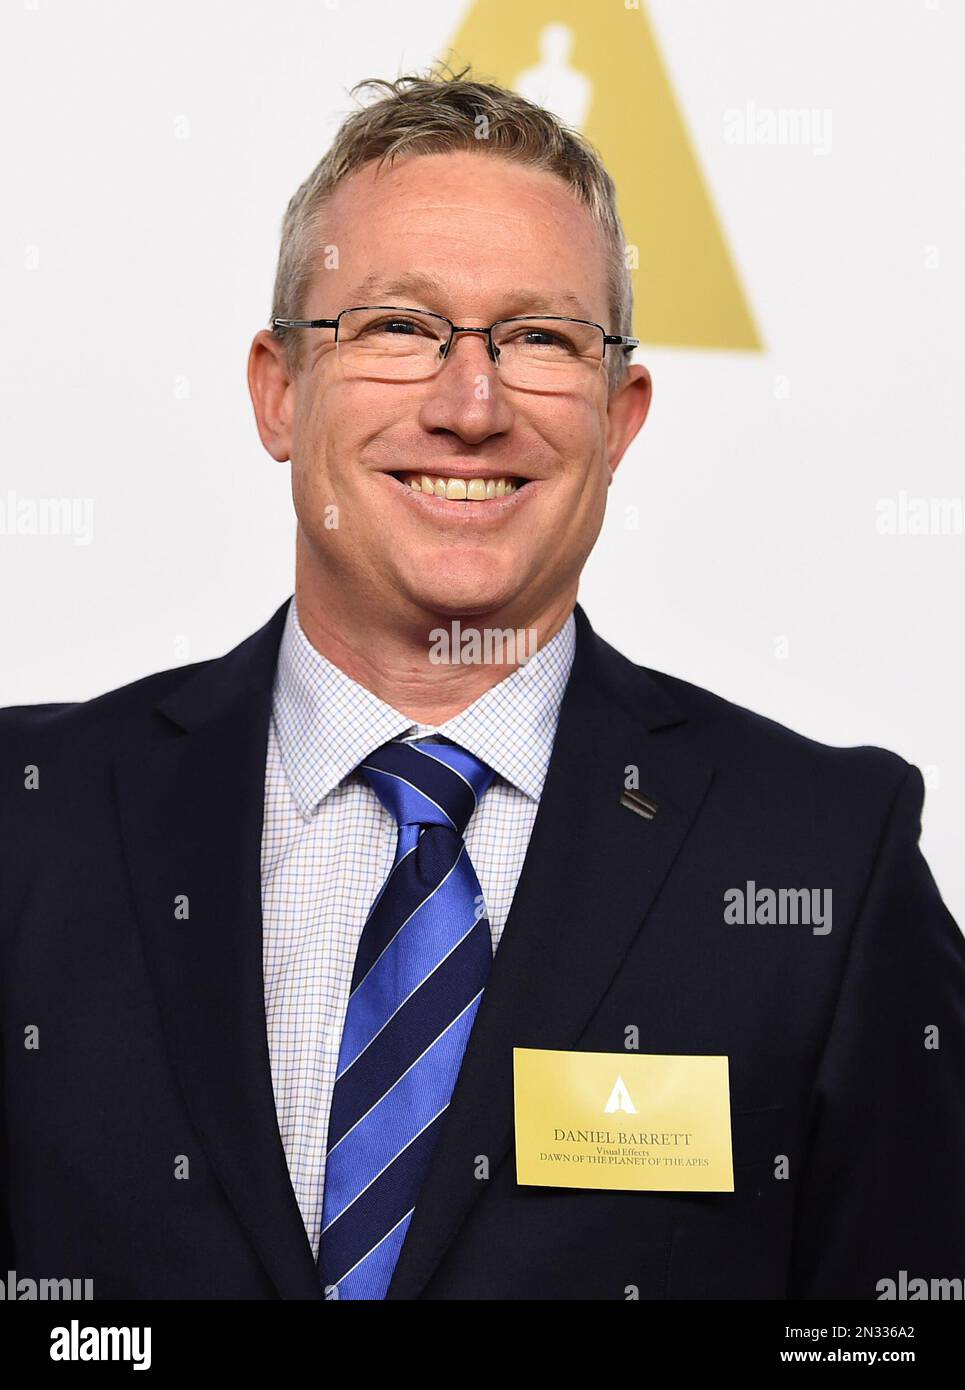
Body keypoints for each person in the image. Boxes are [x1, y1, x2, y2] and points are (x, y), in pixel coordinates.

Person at [1, 69, 962, 1302]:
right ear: (279, 391)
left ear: (619, 416)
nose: (471, 405)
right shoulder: (31, 821)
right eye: (399, 326)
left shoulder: (825, 857)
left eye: (540, 339)